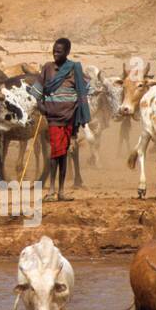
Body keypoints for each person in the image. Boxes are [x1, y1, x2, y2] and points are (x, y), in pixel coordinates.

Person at [35, 37, 90, 201]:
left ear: (67, 52)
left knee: (63, 155)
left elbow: (83, 91)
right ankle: (51, 190)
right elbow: (37, 92)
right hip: (53, 118)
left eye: (59, 51)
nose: (55, 54)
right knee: (55, 154)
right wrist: (41, 106)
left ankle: (61, 191)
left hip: (69, 119)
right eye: (54, 50)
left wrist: (79, 117)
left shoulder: (74, 69)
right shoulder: (47, 68)